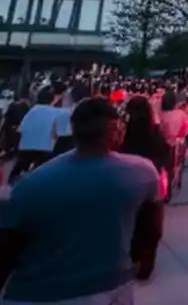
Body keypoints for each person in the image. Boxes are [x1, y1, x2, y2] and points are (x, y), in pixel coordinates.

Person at [0, 97, 163, 303]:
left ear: (72, 130)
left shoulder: (31, 185)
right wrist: (142, 264)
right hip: (112, 288)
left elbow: (7, 248)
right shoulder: (142, 173)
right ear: (118, 130)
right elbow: (152, 230)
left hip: (37, 293)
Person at [119, 95, 170, 280]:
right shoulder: (154, 132)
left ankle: (132, 257)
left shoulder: (123, 133)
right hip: (152, 182)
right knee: (151, 226)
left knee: (131, 223)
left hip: (127, 182)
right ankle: (146, 265)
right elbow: (164, 153)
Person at [10, 87, 59, 181]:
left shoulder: (31, 111)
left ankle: (10, 184)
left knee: (18, 170)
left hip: (26, 148)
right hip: (46, 149)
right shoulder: (55, 112)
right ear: (52, 100)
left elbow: (20, 130)